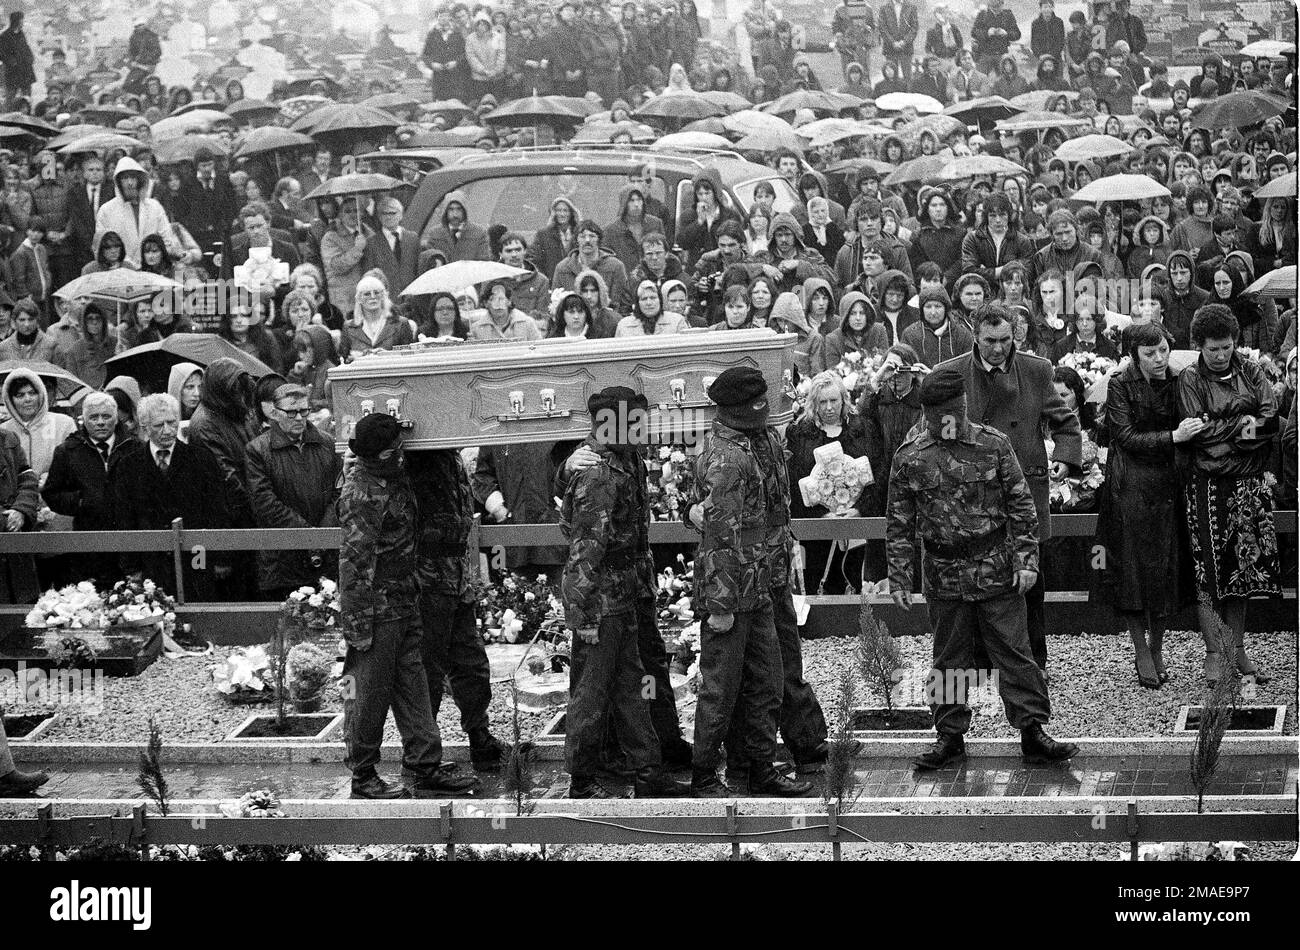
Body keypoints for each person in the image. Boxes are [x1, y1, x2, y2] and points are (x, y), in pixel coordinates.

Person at [888, 365, 1077, 771]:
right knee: (949, 659)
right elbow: (899, 522)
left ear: (963, 405)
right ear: (928, 413)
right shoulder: (911, 456)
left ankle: (1033, 732)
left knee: (1015, 652)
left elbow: (1022, 506)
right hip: (943, 572)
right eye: (942, 416)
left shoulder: (993, 445)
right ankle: (949, 736)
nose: (950, 423)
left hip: (995, 567)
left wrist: (1027, 560)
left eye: (956, 413)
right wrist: (900, 576)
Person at [556, 387, 690, 799]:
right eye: (636, 422)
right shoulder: (598, 473)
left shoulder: (625, 458)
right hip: (601, 601)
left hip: (625, 594)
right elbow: (583, 551)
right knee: (591, 692)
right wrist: (584, 616)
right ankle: (582, 780)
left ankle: (649, 770)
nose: (644, 428)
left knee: (633, 686)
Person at [933, 303, 1083, 672]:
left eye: (1005, 339)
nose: (998, 348)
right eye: (990, 341)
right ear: (975, 336)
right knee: (979, 583)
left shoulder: (1036, 369)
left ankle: (1034, 664)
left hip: (1025, 493)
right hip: (974, 499)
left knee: (1029, 582)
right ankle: (984, 665)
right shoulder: (951, 373)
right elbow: (937, 432)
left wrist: (1065, 458)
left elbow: (1065, 423)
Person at [338, 413, 479, 799]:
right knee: (367, 694)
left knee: (414, 688)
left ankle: (423, 764)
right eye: (395, 452)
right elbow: (354, 563)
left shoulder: (393, 476)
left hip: (406, 600)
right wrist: (357, 623)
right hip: (376, 610)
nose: (403, 456)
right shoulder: (361, 494)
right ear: (381, 456)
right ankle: (363, 775)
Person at [687, 368, 813, 798]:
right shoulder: (727, 458)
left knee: (768, 681)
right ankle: (704, 776)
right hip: (733, 587)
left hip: (759, 581)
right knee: (720, 689)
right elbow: (719, 539)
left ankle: (760, 768)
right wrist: (721, 606)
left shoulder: (759, 441)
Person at [1177, 305, 1282, 686]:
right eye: (1213, 349)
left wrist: (1230, 435)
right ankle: (1213, 653)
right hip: (1208, 485)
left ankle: (1237, 649)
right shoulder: (1190, 378)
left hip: (1248, 482)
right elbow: (1197, 432)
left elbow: (1270, 420)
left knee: (1243, 570)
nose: (1221, 355)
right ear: (1199, 346)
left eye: (1226, 347)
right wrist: (1242, 426)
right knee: (1209, 572)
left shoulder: (1251, 370)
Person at [1092, 323, 1200, 689]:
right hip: (1131, 485)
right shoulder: (1121, 384)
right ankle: (1140, 649)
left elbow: (1191, 421)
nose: (1158, 358)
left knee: (1164, 570)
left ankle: (1157, 648)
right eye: (1149, 353)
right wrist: (1173, 436)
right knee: (1132, 572)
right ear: (1134, 356)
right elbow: (1125, 436)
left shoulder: (1179, 379)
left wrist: (1186, 433)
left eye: (1163, 350)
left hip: (1168, 482)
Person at [405, 447, 509, 772]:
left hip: (457, 574)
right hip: (427, 577)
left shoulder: (452, 456)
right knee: (428, 669)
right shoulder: (417, 455)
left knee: (471, 662)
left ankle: (480, 737)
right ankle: (421, 759)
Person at [111, 394, 228, 601]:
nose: (167, 430)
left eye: (172, 423)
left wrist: (220, 558)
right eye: (159, 425)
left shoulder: (201, 459)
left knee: (198, 600)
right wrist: (132, 567)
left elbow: (217, 510)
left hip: (196, 552)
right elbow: (125, 518)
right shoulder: (129, 466)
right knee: (156, 608)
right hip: (151, 558)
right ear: (145, 427)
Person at [245, 383, 341, 601]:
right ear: (275, 413)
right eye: (291, 412)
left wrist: (322, 534)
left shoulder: (327, 443)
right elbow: (265, 503)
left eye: (304, 411)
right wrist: (310, 536)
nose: (299, 418)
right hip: (283, 561)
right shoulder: (258, 450)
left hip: (326, 555)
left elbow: (339, 493)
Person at [787, 370, 870, 596]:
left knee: (852, 583)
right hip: (815, 528)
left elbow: (873, 474)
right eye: (822, 402)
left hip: (854, 525)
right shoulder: (799, 433)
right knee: (815, 585)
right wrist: (822, 516)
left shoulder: (861, 429)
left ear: (844, 399)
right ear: (814, 403)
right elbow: (794, 483)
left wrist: (859, 510)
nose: (829, 408)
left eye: (834, 400)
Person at [92, 156, 179, 267]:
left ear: (140, 180)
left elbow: (167, 238)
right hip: (120, 271)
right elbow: (101, 246)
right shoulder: (106, 210)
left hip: (153, 269)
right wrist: (127, 265)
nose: (130, 183)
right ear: (118, 182)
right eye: (125, 178)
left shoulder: (154, 207)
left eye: (133, 177)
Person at [1, 368, 76, 492]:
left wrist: (53, 478)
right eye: (20, 395)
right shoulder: (3, 431)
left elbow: (76, 466)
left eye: (32, 393)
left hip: (55, 498)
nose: (27, 399)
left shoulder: (64, 424)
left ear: (41, 394)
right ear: (10, 400)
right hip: (16, 501)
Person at [345, 274, 417, 355]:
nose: (372, 297)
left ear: (383, 296)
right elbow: (343, 358)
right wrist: (357, 357)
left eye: (376, 293)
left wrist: (387, 355)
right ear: (359, 299)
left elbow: (409, 356)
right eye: (367, 294)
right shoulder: (348, 328)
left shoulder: (400, 323)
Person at [468, 278, 543, 341]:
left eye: (502, 299)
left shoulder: (527, 323)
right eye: (492, 299)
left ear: (509, 301)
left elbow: (540, 348)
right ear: (486, 303)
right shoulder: (476, 328)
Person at [877, 0, 919, 82]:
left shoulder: (911, 7)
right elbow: (882, 28)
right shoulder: (884, 8)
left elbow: (914, 28)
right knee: (891, 78)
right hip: (890, 48)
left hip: (906, 48)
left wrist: (904, 41)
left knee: (908, 78)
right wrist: (892, 42)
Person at [0, 11, 35, 105]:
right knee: (11, 96)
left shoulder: (21, 34)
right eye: (21, 20)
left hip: (25, 70)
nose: (23, 22)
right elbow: (2, 53)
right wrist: (13, 63)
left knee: (27, 96)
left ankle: (27, 110)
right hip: (13, 72)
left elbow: (26, 47)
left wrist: (30, 58)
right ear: (16, 21)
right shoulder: (5, 36)